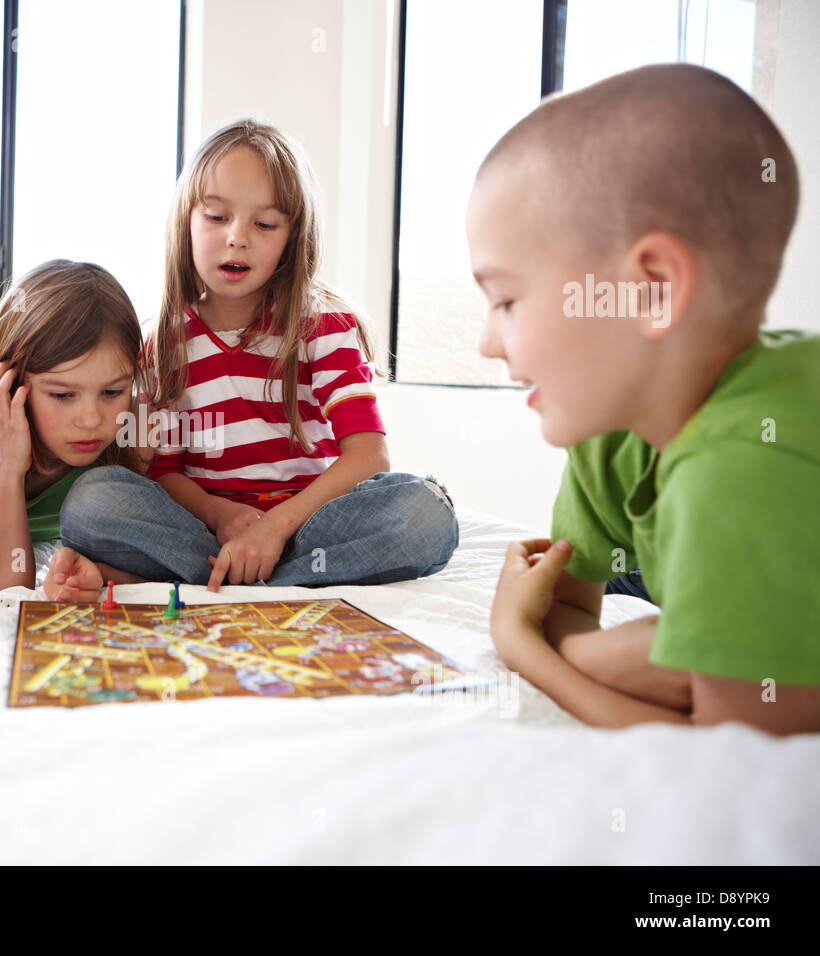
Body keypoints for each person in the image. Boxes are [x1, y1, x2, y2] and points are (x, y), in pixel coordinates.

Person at [468, 63, 819, 734]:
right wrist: (610, 651)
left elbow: (729, 748)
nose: (487, 342)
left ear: (650, 291)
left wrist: (523, 645)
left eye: (507, 300)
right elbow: (570, 609)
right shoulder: (610, 435)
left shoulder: (744, 464)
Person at [47, 119, 458, 599]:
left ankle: (219, 579)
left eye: (264, 224)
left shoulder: (323, 325)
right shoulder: (163, 344)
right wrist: (221, 516)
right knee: (91, 501)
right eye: (217, 217)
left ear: (291, 237)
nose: (237, 237)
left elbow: (368, 456)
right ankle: (249, 574)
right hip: (206, 533)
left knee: (425, 513)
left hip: (309, 527)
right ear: (187, 223)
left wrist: (275, 529)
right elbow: (167, 472)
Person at [0, 260, 146, 595]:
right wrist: (7, 466)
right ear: (11, 380)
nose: (91, 419)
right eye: (62, 394)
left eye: (112, 392)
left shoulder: (134, 427)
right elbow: (2, 586)